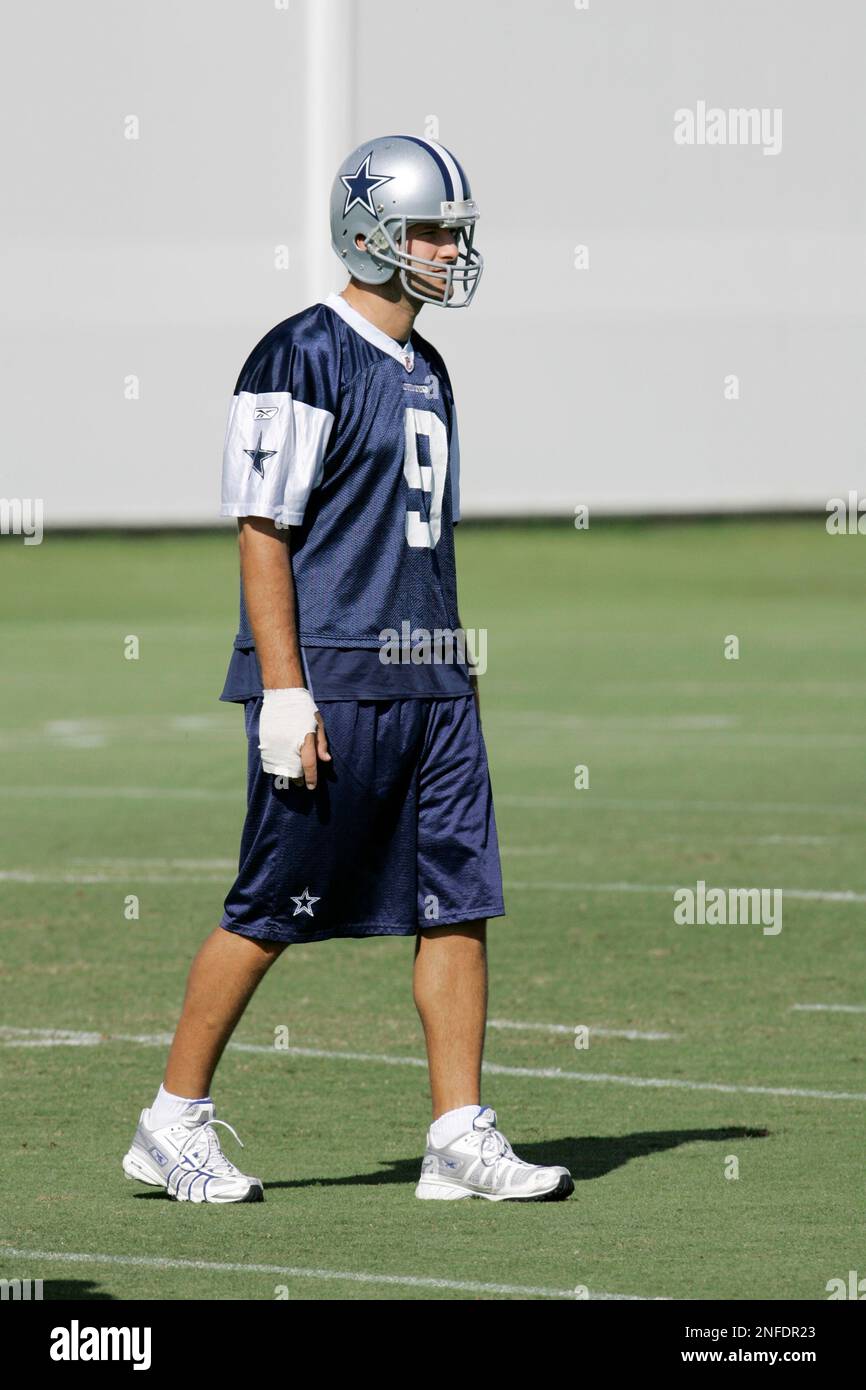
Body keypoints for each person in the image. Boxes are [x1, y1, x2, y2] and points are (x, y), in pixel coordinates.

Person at [122, 135, 574, 1205]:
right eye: (430, 232)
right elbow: (261, 528)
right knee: (269, 903)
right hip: (331, 671)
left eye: (452, 234)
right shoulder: (300, 353)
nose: (446, 252)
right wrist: (283, 688)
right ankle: (170, 1119)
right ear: (371, 232)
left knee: (458, 904)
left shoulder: (428, 365)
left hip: (431, 675)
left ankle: (457, 1134)